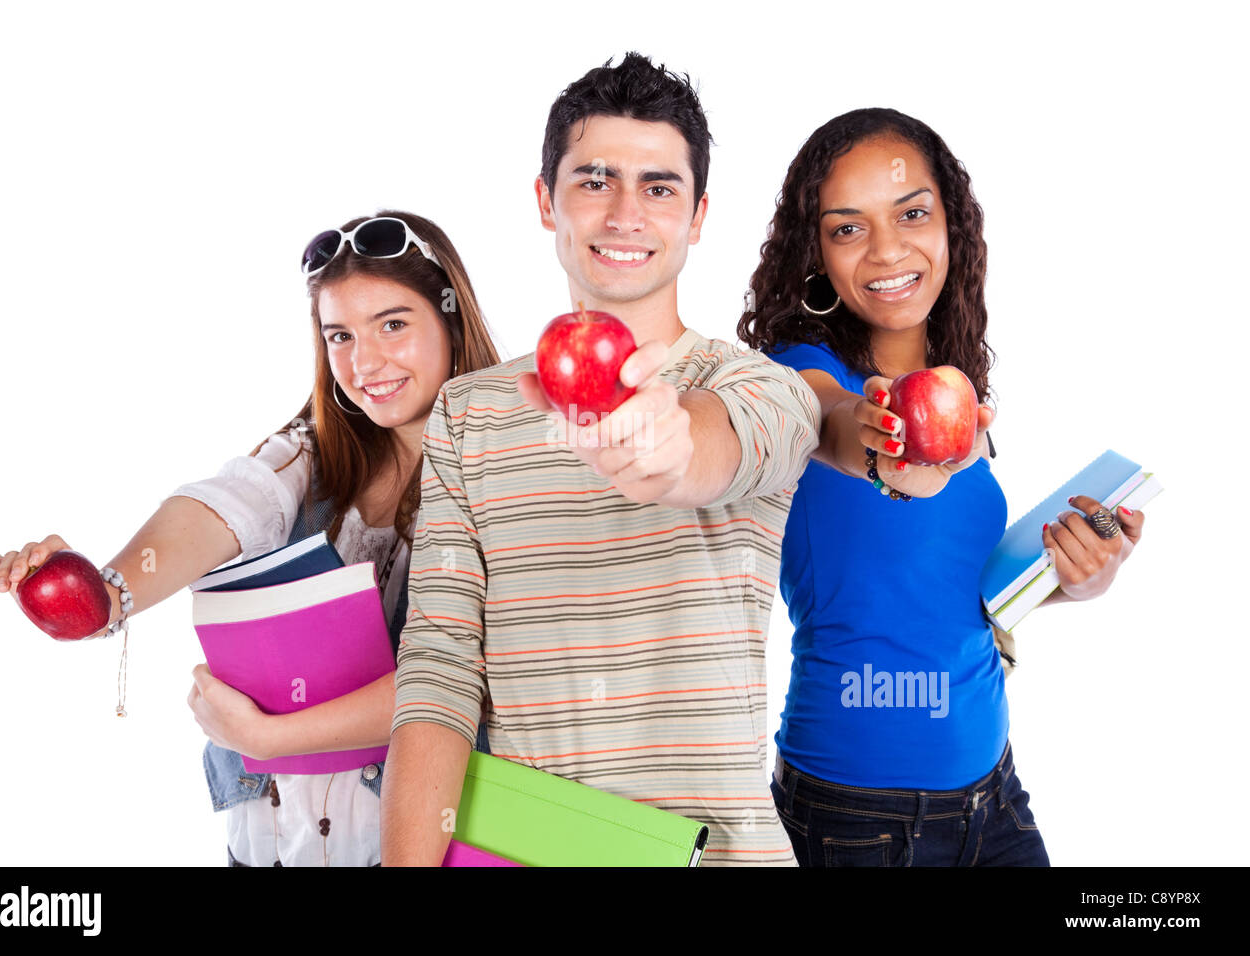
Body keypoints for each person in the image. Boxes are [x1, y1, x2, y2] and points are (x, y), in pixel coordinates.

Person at [378, 53, 821, 866]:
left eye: (659, 187)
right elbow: (438, 671)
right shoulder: (468, 413)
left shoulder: (766, 390)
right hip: (532, 851)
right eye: (594, 180)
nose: (626, 213)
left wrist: (667, 447)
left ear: (698, 216)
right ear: (547, 201)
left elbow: (715, 447)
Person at [0, 210, 501, 866]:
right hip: (270, 848)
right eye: (339, 335)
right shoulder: (311, 453)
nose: (365, 362)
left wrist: (273, 737)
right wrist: (107, 592)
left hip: (413, 845)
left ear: (451, 319)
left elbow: (460, 678)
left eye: (393, 324)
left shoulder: (508, 471)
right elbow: (220, 508)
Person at [738, 108, 1145, 866]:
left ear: (950, 224)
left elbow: (950, 596)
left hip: (994, 796)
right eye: (848, 228)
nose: (888, 249)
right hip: (857, 819)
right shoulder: (794, 378)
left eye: (912, 214)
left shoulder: (959, 394)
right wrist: (885, 453)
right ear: (816, 253)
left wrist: (1074, 578)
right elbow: (835, 420)